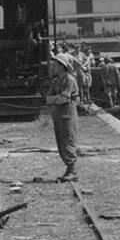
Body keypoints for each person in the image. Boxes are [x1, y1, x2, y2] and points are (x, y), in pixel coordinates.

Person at [45, 54, 80, 182]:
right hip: (58, 115)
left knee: (68, 141)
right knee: (61, 143)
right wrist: (58, 98)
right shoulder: (56, 81)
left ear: (61, 66)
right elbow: (48, 99)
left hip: (68, 114)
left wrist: (59, 98)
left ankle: (72, 171)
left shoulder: (69, 80)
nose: (51, 67)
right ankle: (69, 170)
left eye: (54, 65)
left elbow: (63, 100)